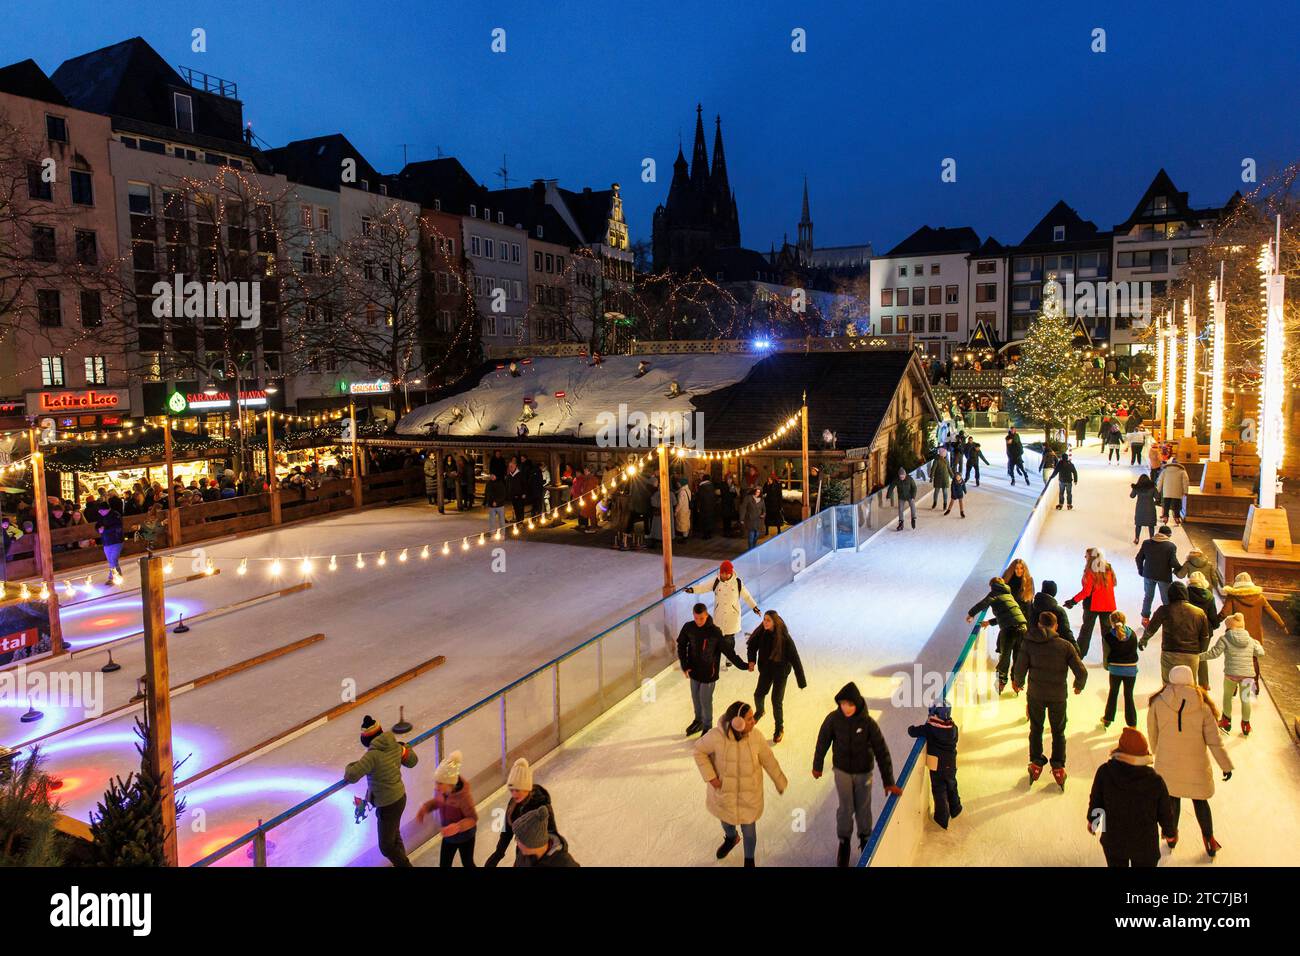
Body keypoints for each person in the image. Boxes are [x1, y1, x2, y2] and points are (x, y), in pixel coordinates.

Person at [1147, 665, 1233, 859]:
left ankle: (1171, 836)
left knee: (1172, 799)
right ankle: (1209, 839)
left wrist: (1157, 754)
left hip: (1167, 764)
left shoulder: (1158, 702)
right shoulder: (1202, 705)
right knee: (1201, 802)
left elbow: (1153, 734)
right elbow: (1214, 740)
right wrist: (1225, 765)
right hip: (1197, 767)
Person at [812, 682, 900, 866]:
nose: (846, 708)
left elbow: (881, 751)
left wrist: (888, 781)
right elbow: (822, 742)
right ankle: (844, 843)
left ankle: (865, 839)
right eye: (843, 704)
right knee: (845, 808)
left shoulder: (868, 724)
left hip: (863, 773)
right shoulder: (833, 719)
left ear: (857, 704)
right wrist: (817, 765)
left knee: (863, 807)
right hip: (842, 771)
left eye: (850, 704)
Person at [693, 700, 787, 867]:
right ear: (737, 722)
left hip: (749, 796)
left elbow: (768, 760)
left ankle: (749, 860)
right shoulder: (716, 736)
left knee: (749, 832)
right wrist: (711, 776)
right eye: (749, 719)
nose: (753, 721)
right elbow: (699, 751)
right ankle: (731, 838)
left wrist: (779, 779)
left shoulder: (756, 737)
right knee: (726, 822)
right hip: (724, 793)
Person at [1012, 610, 1087, 788]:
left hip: (1036, 695)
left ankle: (1036, 763)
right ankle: (1058, 767)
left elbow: (1020, 667)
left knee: (1036, 729)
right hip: (1058, 696)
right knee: (1058, 731)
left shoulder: (1029, 643)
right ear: (1056, 626)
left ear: (1039, 624)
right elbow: (1081, 671)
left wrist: (1018, 682)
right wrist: (1079, 685)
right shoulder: (1065, 646)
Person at [1086, 727, 1176, 868]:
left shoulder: (1105, 772)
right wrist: (1169, 832)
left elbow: (1097, 800)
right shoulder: (1155, 781)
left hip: (1114, 842)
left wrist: (1094, 822)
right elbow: (1164, 811)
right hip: (1145, 845)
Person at [343, 715, 419, 867]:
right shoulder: (396, 746)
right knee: (394, 837)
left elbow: (351, 775)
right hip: (400, 798)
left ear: (366, 740)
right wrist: (405, 747)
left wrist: (354, 764)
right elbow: (412, 761)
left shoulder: (372, 756)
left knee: (386, 846)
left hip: (388, 805)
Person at [678, 602, 746, 736]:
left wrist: (742, 665)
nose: (699, 621)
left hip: (709, 673)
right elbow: (681, 646)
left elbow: (728, 651)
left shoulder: (714, 632)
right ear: (693, 615)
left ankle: (707, 726)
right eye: (696, 618)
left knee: (705, 699)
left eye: (701, 618)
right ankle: (698, 721)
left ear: (706, 615)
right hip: (694, 671)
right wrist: (685, 666)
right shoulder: (688, 627)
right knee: (696, 698)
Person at [745, 609, 806, 743]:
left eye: (768, 620)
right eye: (764, 620)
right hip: (766, 670)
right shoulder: (761, 632)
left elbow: (795, 659)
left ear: (774, 622)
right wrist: (752, 660)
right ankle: (760, 711)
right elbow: (751, 646)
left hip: (780, 672)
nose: (765, 622)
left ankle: (779, 727)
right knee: (758, 695)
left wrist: (801, 681)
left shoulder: (784, 638)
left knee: (776, 701)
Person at [687, 559, 759, 671]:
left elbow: (747, 596)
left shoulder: (737, 582)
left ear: (731, 572)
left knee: (729, 639)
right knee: (717, 638)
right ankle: (714, 659)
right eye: (722, 572)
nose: (724, 575)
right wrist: (692, 590)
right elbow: (703, 587)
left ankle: (730, 658)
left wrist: (754, 607)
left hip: (732, 616)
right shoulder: (716, 581)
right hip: (719, 616)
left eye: (726, 573)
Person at [484, 758, 556, 867]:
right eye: (511, 790)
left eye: (517, 790)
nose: (514, 794)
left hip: (539, 856)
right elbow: (507, 831)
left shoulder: (542, 807)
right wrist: (498, 853)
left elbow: (553, 835)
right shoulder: (513, 804)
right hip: (522, 852)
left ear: (526, 787)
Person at [1202, 612, 1264, 737]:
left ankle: (1226, 722)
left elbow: (1214, 653)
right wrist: (1257, 644)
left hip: (1231, 674)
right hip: (1248, 675)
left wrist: (1198, 657)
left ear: (1229, 626)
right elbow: (1261, 653)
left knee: (1227, 698)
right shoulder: (1251, 640)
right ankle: (1246, 725)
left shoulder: (1225, 638)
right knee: (1246, 700)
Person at [414, 750, 478, 867]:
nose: (436, 786)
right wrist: (425, 808)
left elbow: (473, 818)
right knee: (444, 864)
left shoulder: (464, 797)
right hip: (449, 836)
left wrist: (457, 827)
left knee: (468, 863)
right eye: (436, 782)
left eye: (440, 783)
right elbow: (437, 802)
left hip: (465, 836)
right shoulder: (440, 791)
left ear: (450, 784)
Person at [968, 577, 1029, 694]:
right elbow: (1007, 615)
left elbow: (983, 603)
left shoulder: (995, 592)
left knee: (1004, 656)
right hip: (1022, 627)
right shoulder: (1009, 595)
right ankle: (1017, 682)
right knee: (1018, 656)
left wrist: (971, 614)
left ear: (992, 585)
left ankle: (1002, 681)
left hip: (1010, 629)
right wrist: (989, 623)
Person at [1140, 581, 1210, 683]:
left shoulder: (1164, 610)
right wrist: (1200, 652)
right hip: (1191, 655)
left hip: (1170, 653)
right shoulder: (1199, 612)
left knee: (1168, 685)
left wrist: (1143, 640)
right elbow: (1205, 636)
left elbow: (1151, 628)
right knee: (1189, 686)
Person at [906, 702, 961, 829]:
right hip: (951, 764)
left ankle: (941, 819)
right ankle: (956, 808)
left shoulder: (930, 728)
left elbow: (913, 731)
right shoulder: (954, 728)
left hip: (937, 766)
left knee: (939, 790)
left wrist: (911, 728)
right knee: (952, 784)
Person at [1064, 548, 1117, 660]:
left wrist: (1072, 601)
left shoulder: (1090, 572)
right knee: (1107, 633)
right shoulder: (1109, 569)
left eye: (1086, 556)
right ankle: (1109, 658)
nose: (1085, 558)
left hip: (1092, 606)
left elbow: (1086, 592)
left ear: (1091, 558)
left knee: (1086, 631)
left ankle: (1079, 655)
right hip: (1108, 605)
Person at [1218, 571, 1289, 647]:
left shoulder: (1232, 597)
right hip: (1255, 636)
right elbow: (1272, 612)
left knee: (1236, 656)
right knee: (1253, 656)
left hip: (1237, 634)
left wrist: (1213, 623)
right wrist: (1282, 625)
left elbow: (1224, 613)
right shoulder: (1260, 597)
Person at [1101, 611, 1140, 729]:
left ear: (1111, 622)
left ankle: (1107, 719)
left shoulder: (1108, 636)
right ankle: (1132, 723)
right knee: (1129, 695)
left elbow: (1106, 654)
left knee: (1113, 693)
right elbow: (1134, 651)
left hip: (1115, 669)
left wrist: (1107, 666)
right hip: (1131, 669)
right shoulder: (1132, 634)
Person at [1135, 526, 1179, 625]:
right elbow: (1173, 563)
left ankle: (1145, 619)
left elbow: (1138, 558)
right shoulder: (1171, 546)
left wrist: (1141, 570)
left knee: (1148, 596)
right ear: (1168, 535)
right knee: (1166, 598)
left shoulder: (1147, 543)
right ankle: (1169, 619)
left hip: (1148, 574)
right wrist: (1181, 568)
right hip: (1163, 577)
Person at [511, 804, 578, 867]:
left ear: (531, 843)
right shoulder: (523, 852)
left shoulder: (564, 863)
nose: (516, 842)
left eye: (518, 839)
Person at [1032, 580, 1076, 649]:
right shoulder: (1059, 611)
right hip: (1054, 651)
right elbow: (1066, 633)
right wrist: (1077, 652)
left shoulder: (1031, 608)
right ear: (1054, 592)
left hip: (1032, 649)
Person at [94, 502, 125, 584]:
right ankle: (118, 576)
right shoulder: (101, 516)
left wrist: (105, 529)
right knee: (111, 561)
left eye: (101, 511)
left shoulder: (115, 515)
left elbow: (118, 527)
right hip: (106, 541)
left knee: (113, 559)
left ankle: (112, 578)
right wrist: (98, 529)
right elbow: (97, 525)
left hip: (116, 541)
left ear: (107, 510)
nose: (99, 512)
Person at [1157, 457, 1190, 524]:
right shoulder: (1182, 471)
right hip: (1177, 491)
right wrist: (1186, 491)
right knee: (1176, 505)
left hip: (1167, 491)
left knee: (1166, 505)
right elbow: (1186, 482)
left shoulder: (1165, 471)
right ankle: (1177, 518)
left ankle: (1165, 517)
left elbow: (1160, 481)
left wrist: (1158, 490)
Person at [886, 466, 917, 531]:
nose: (902, 478)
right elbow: (891, 487)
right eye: (900, 477)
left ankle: (913, 519)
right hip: (901, 497)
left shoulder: (909, 479)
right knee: (900, 509)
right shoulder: (897, 480)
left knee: (912, 506)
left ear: (905, 475)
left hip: (910, 496)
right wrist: (888, 495)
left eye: (903, 476)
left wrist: (913, 496)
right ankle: (901, 523)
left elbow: (914, 487)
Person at [1130, 473, 1158, 543]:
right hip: (1150, 508)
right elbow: (1157, 497)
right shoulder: (1152, 488)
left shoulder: (1137, 488)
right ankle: (1152, 538)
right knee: (1151, 525)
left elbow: (1132, 496)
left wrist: (1135, 488)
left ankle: (1137, 538)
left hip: (1140, 508)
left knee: (1138, 524)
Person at [740, 485, 765, 550]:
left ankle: (753, 547)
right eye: (756, 492)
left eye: (759, 492)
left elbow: (764, 510)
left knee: (756, 535)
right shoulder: (748, 498)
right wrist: (742, 518)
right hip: (750, 519)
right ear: (754, 491)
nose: (757, 493)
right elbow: (743, 508)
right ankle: (750, 550)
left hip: (758, 520)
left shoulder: (762, 500)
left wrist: (763, 514)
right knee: (751, 536)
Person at [484, 469, 508, 534]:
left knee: (501, 520)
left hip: (500, 505)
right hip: (491, 505)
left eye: (493, 475)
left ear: (496, 476)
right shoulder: (489, 483)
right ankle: (492, 533)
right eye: (491, 475)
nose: (491, 476)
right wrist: (485, 502)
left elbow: (503, 494)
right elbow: (487, 493)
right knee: (492, 521)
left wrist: (496, 501)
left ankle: (503, 533)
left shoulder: (500, 483)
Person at [694, 473, 717, 539]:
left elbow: (699, 497)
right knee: (710, 519)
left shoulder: (701, 486)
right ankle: (709, 534)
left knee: (704, 520)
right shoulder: (712, 485)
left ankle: (705, 535)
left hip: (703, 506)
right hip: (711, 506)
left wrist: (698, 506)